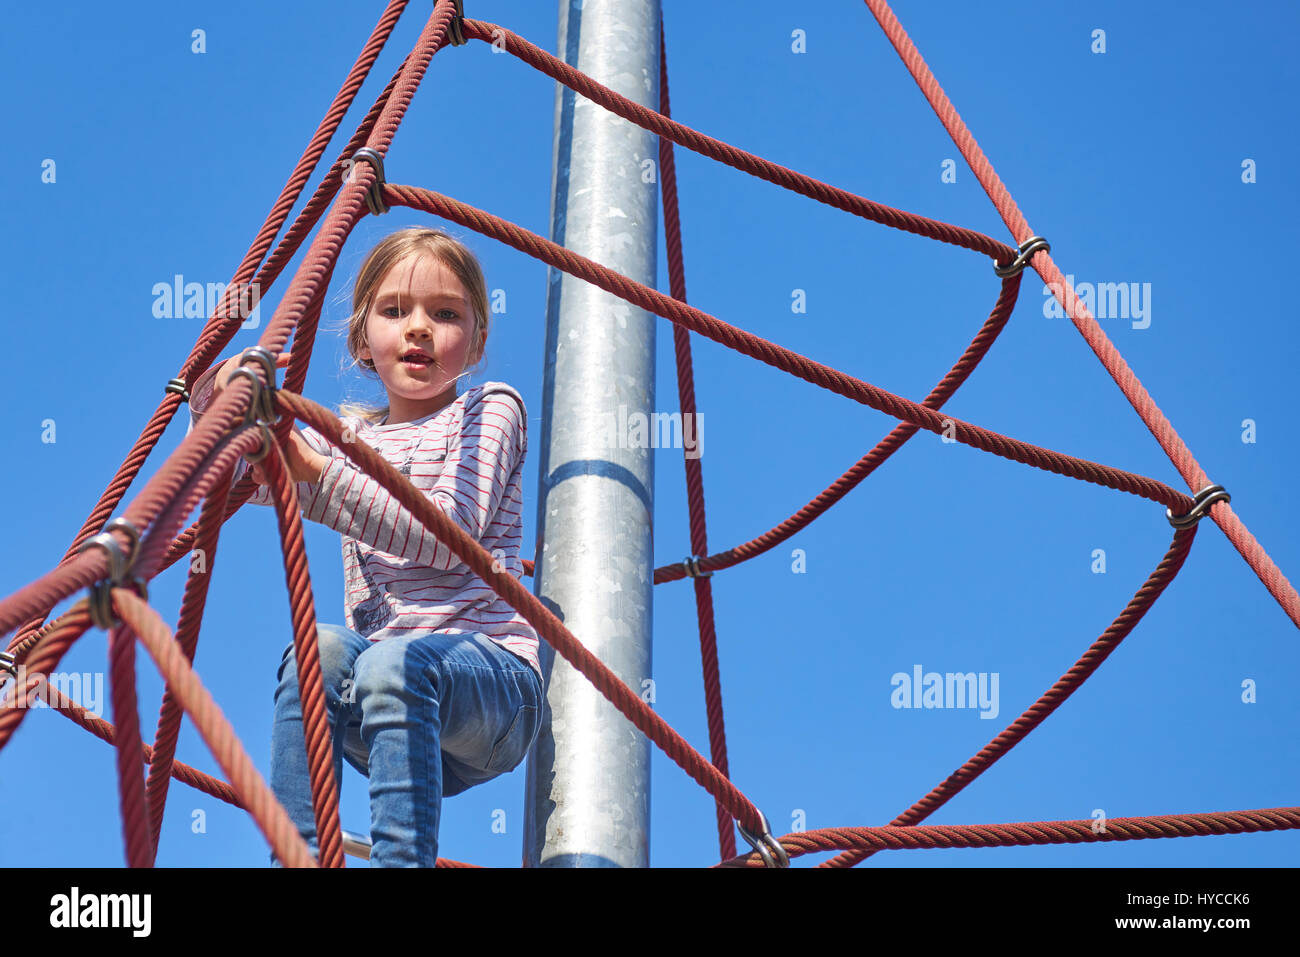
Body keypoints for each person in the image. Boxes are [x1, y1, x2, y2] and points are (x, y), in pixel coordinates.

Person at [186, 227, 543, 867]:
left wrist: (317, 474)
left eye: (445, 314)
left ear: (478, 340)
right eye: (395, 311)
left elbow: (449, 537)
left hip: (491, 692)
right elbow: (235, 475)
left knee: (392, 664)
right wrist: (225, 389)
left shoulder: (490, 409)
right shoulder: (345, 437)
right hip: (384, 714)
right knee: (316, 649)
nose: (419, 329)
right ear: (362, 337)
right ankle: (295, 853)